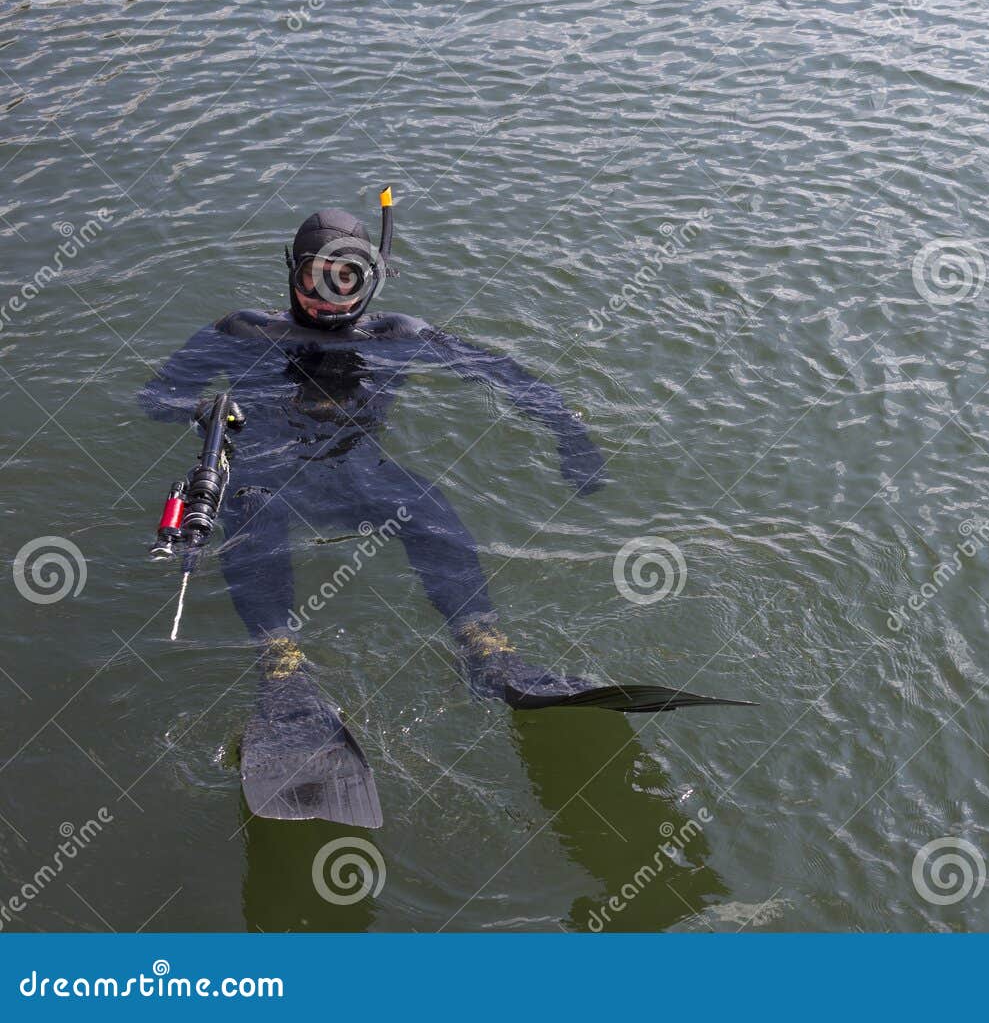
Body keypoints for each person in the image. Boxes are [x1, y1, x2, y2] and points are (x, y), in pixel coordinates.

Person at [140, 191, 738, 827]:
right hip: (270, 475)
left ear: (371, 279)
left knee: (425, 503)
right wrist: (202, 408)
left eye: (348, 279)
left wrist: (570, 434)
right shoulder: (243, 332)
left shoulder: (399, 336)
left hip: (359, 476)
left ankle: (488, 649)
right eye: (317, 277)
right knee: (252, 508)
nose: (328, 298)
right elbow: (156, 397)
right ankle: (283, 667)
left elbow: (503, 374)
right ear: (291, 270)